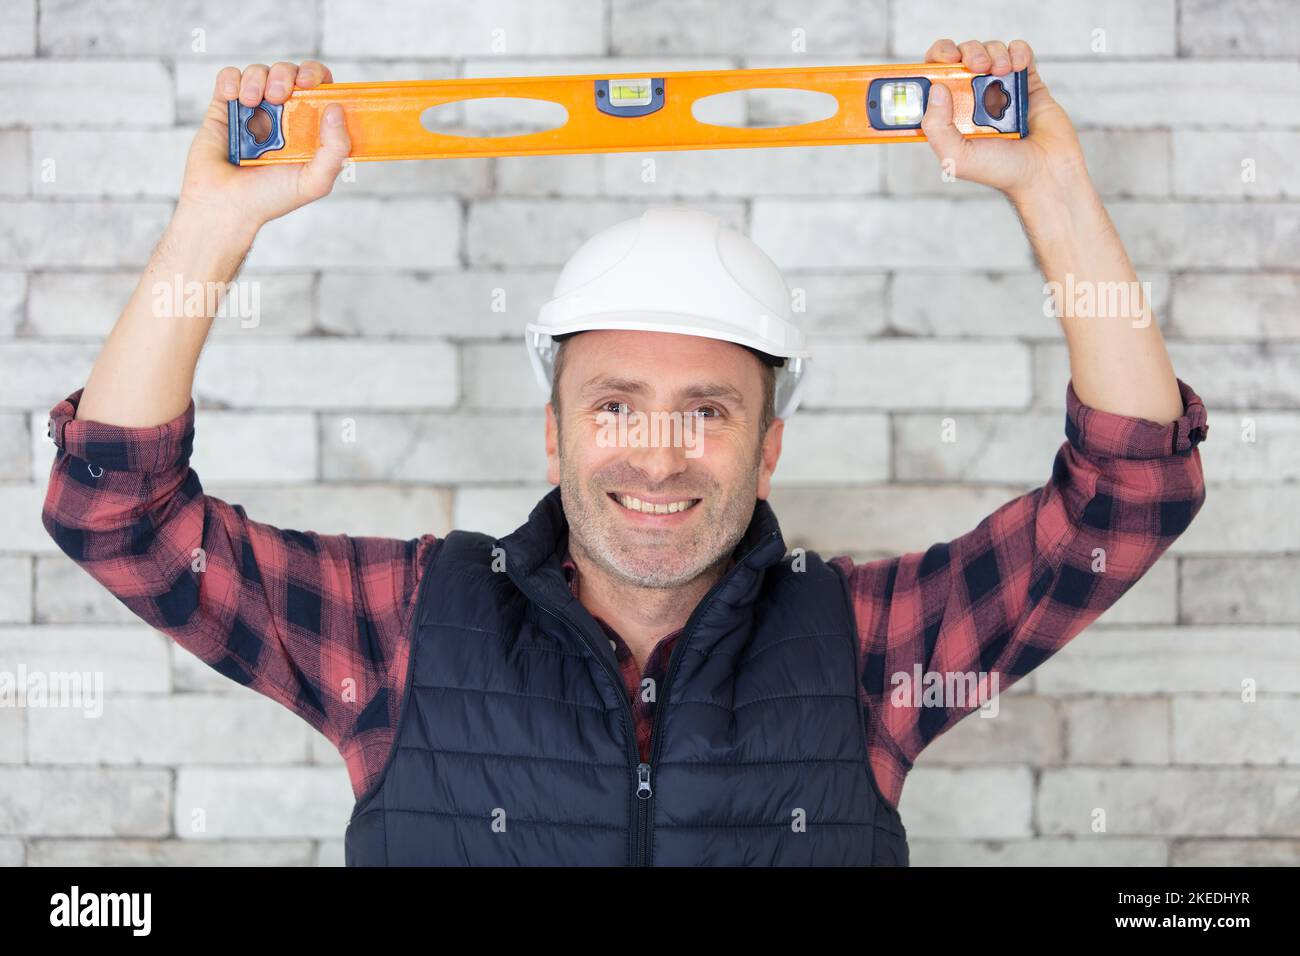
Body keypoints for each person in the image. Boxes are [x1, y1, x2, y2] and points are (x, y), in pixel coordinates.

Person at [41, 39, 1208, 866]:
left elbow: (1124, 497)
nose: (658, 454)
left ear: (768, 452)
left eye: (707, 409)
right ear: (553, 434)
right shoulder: (405, 628)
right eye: (614, 406)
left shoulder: (862, 648)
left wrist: (1051, 187)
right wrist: (211, 223)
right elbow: (119, 514)